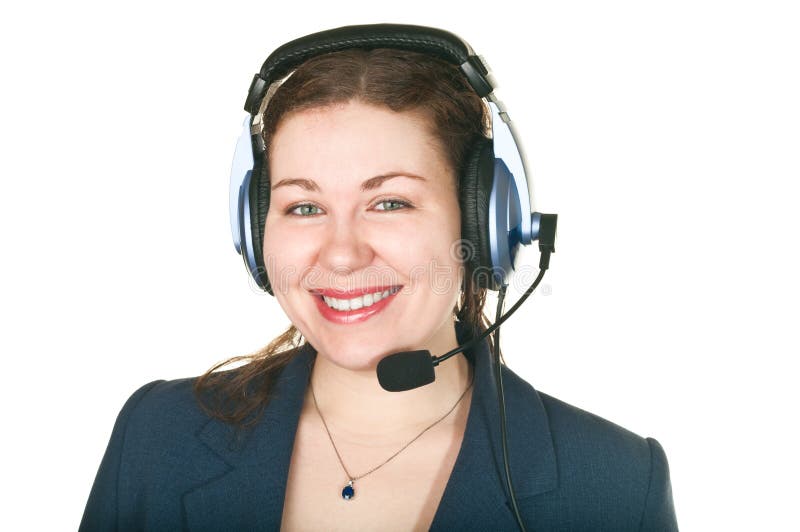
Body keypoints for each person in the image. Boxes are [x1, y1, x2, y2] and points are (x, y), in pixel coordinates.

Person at [80, 24, 678, 531]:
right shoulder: (157, 437)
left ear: (488, 222)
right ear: (254, 229)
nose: (340, 255)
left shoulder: (615, 486)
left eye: (390, 202)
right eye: (304, 207)